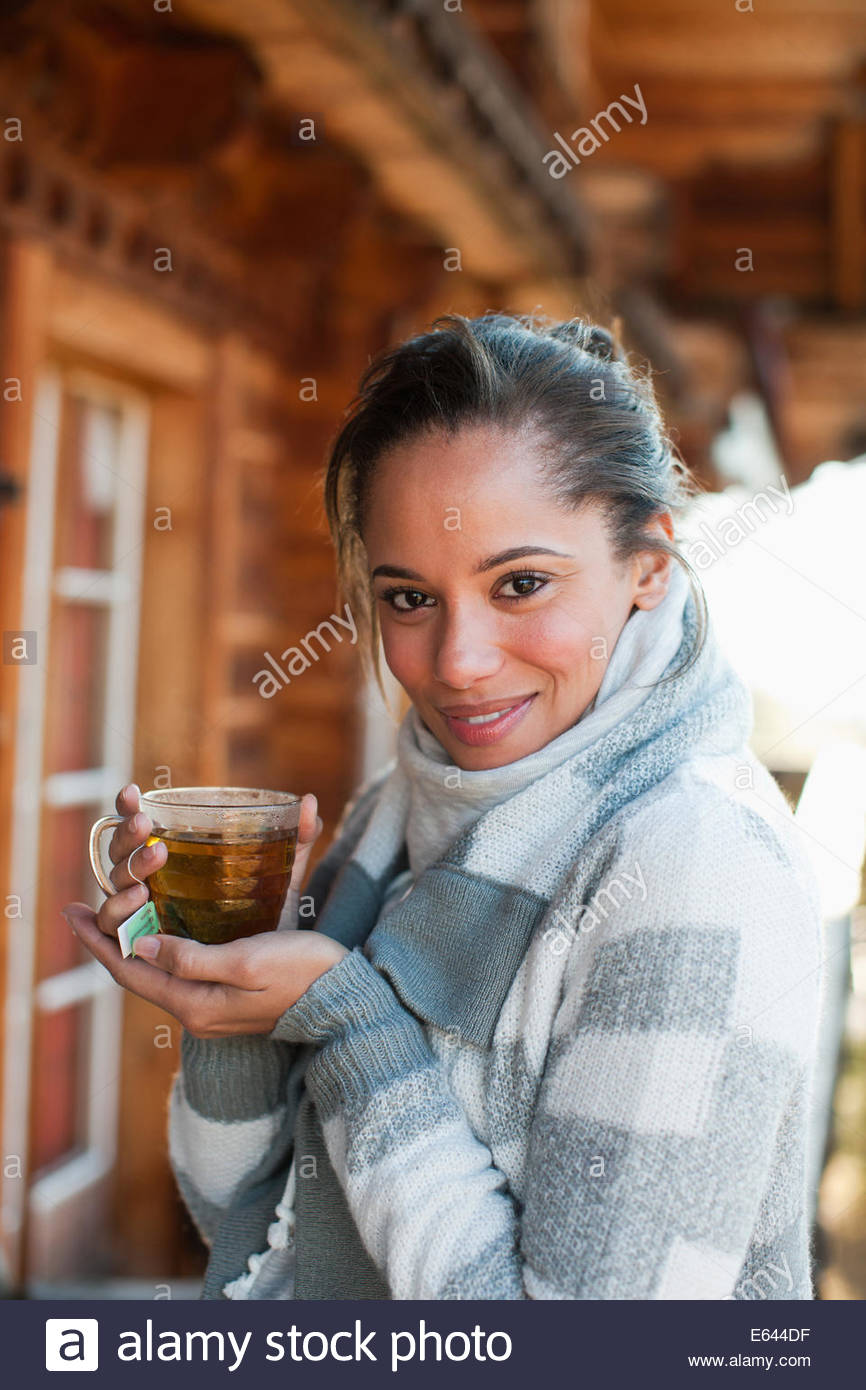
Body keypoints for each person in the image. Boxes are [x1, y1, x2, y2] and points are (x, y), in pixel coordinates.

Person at [65, 312, 823, 1300]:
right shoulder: (405, 808)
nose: (457, 663)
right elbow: (257, 1222)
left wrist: (345, 1020)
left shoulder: (694, 863)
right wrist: (234, 1002)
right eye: (409, 598)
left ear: (647, 565)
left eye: (519, 583)